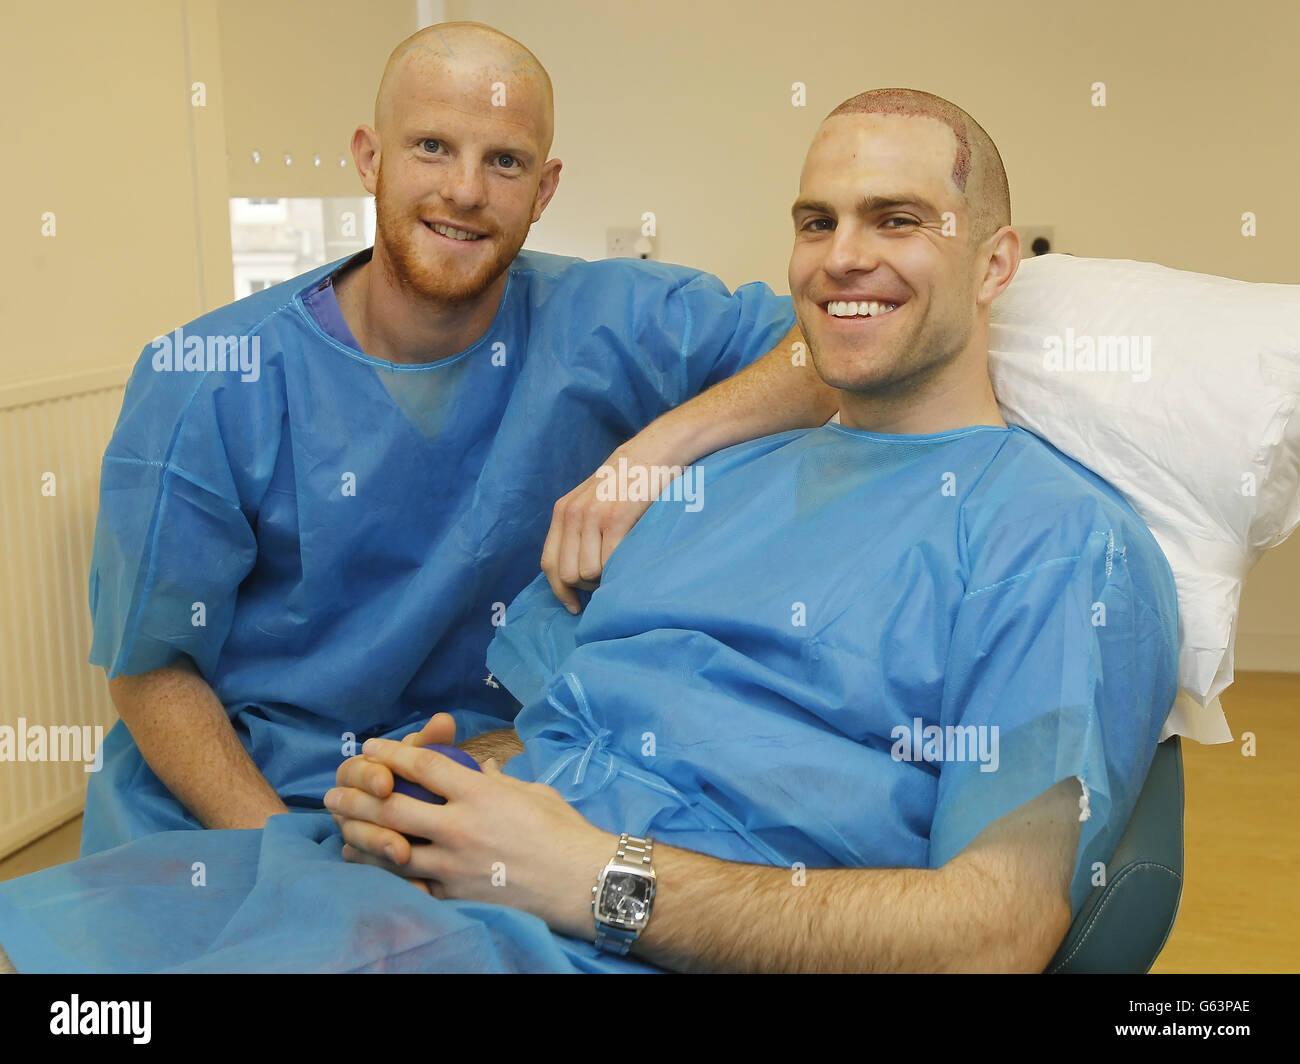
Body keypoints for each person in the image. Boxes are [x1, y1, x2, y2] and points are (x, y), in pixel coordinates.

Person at [0, 87, 1178, 975]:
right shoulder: (722, 481)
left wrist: (594, 878)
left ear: (993, 264)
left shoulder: (1055, 541)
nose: (844, 255)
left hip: (618, 930)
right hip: (424, 876)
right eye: (816, 220)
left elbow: (999, 931)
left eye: (897, 217)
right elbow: (559, 729)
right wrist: (427, 785)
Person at [80, 21, 836, 856]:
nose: (466, 191)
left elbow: (826, 344)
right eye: (432, 147)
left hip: (490, 775)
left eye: (504, 161)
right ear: (371, 159)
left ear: (544, 190)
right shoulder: (212, 379)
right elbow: (150, 667)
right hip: (255, 792)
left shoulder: (607, 322)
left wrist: (652, 452)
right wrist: (288, 861)